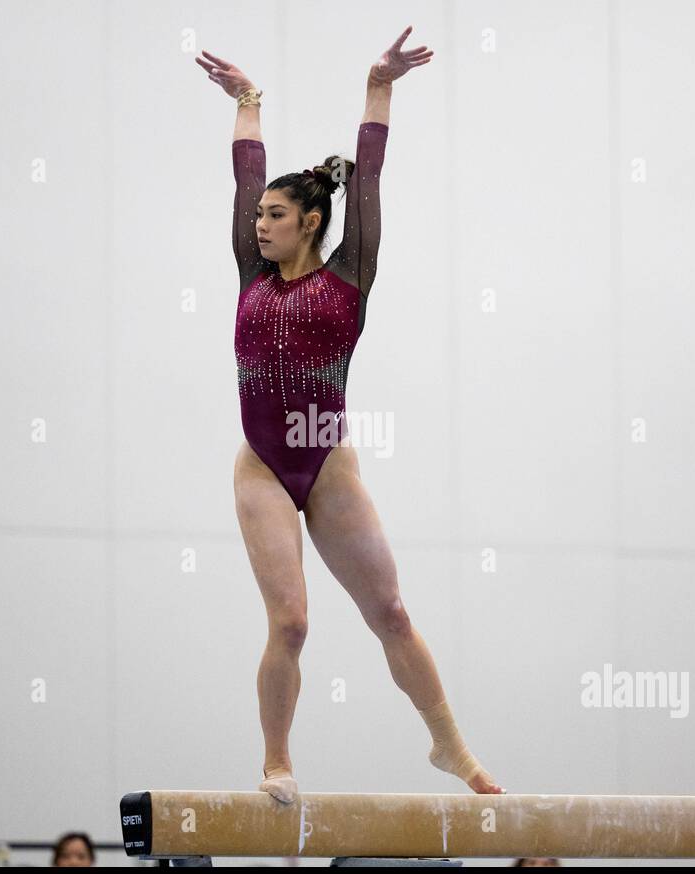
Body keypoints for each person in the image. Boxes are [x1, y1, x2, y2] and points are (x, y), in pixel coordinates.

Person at [195, 27, 504, 806]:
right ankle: (276, 763)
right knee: (292, 623)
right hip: (265, 464)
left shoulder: (351, 276)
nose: (259, 225)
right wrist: (247, 102)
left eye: (274, 217)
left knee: (391, 610)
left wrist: (380, 85)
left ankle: (453, 749)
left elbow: (369, 178)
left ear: (308, 223)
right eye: (257, 216)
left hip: (327, 463)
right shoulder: (248, 272)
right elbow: (245, 174)